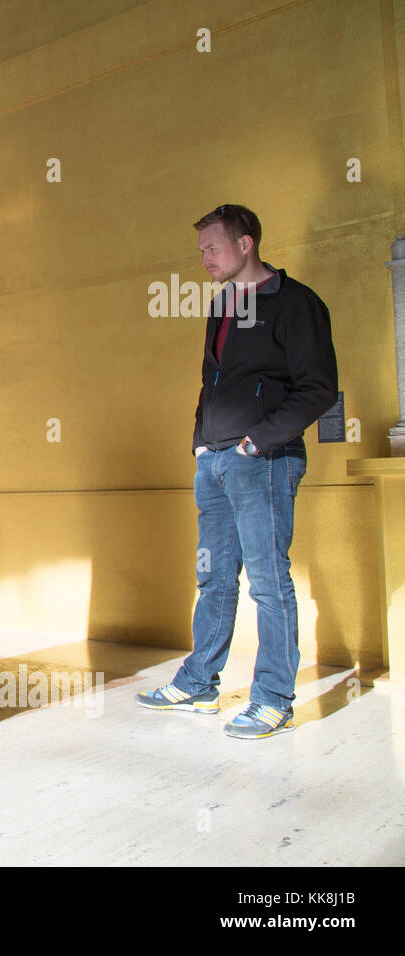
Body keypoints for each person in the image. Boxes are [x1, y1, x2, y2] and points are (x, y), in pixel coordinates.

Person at [137, 203, 338, 739]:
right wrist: (201, 443)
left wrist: (256, 441)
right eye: (201, 249)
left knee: (269, 583)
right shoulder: (223, 304)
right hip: (216, 462)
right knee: (214, 577)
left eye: (211, 247)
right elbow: (212, 379)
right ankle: (199, 682)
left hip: (264, 461)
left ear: (245, 243)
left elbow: (318, 388)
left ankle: (273, 699)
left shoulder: (296, 304)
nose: (203, 258)